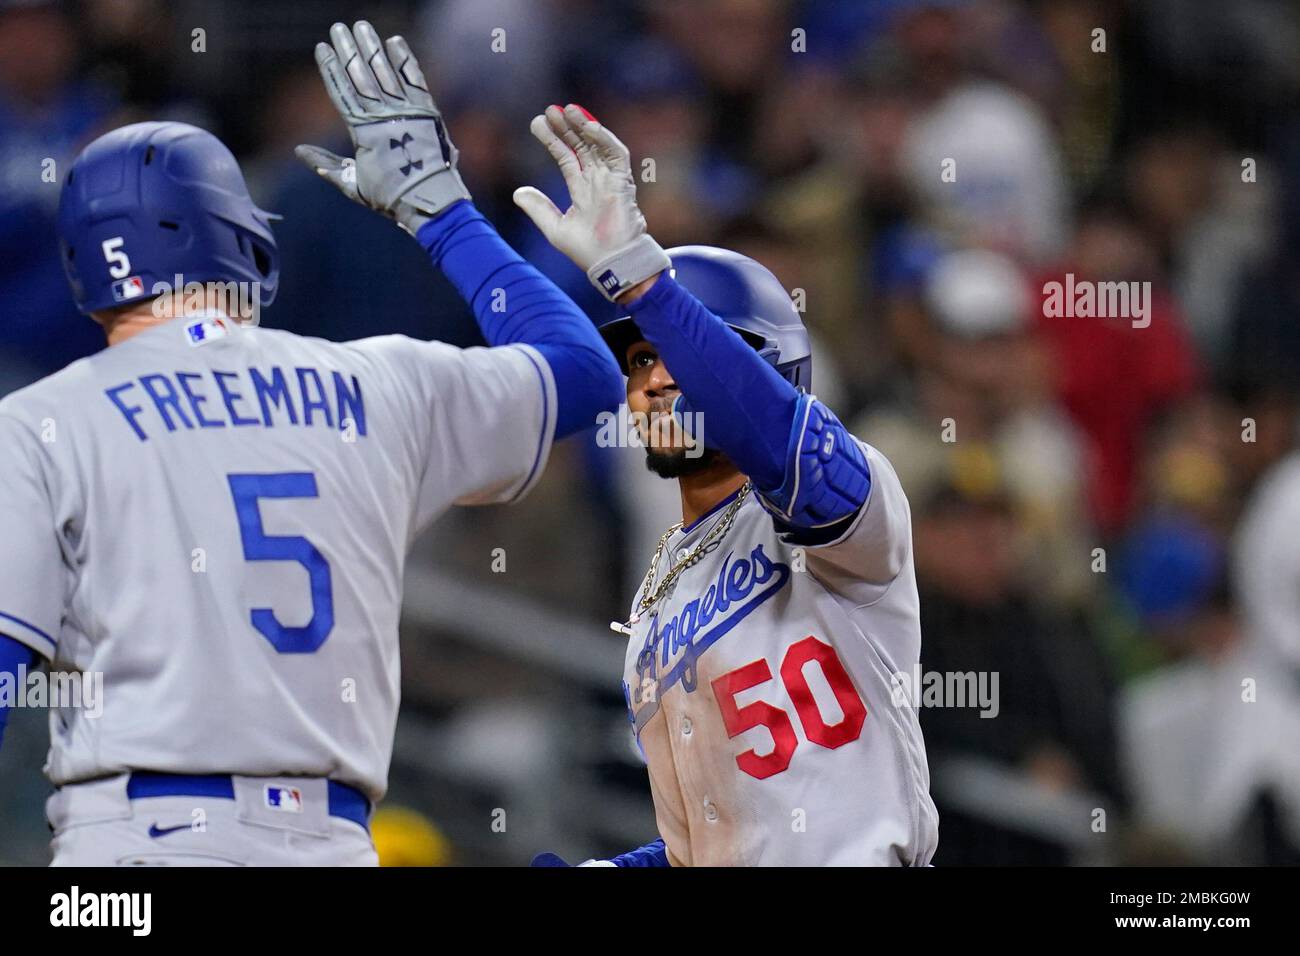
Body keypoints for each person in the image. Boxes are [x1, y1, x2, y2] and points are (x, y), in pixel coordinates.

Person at [0, 22, 621, 866]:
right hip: (329, 841)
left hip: (133, 850)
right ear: (243, 239)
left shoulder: (42, 420)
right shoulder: (378, 383)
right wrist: (444, 218)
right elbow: (585, 370)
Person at [518, 105, 937, 865]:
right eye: (640, 360)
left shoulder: (850, 502)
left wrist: (649, 288)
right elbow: (715, 843)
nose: (656, 378)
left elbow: (773, 434)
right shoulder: (652, 609)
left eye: (679, 352)